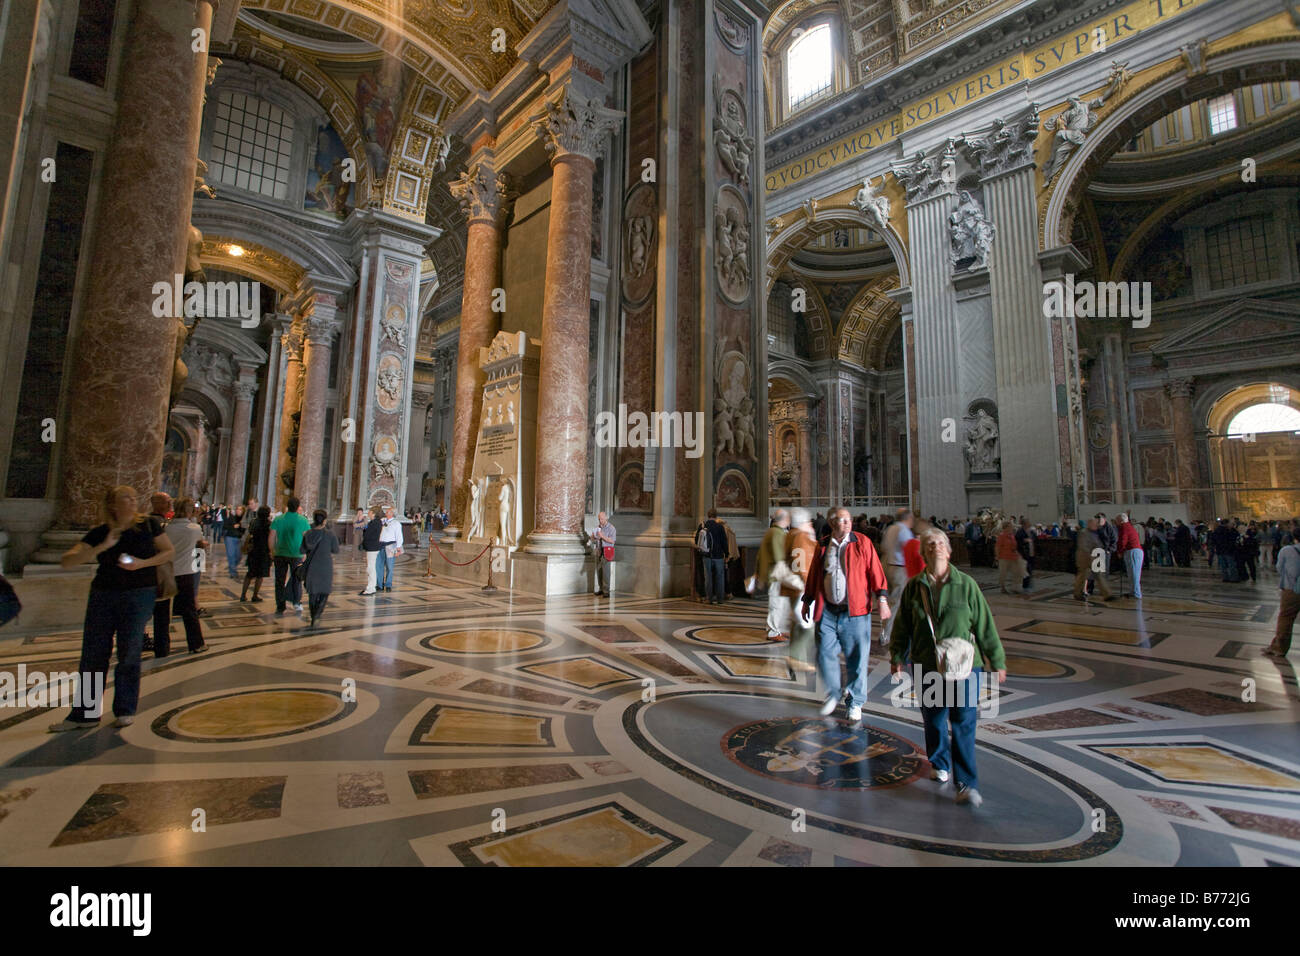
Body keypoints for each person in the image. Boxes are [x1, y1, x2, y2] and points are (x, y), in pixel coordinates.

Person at [890, 527, 1006, 807]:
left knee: (964, 721)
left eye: (941, 542)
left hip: (965, 666)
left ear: (949, 550)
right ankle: (939, 761)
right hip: (927, 663)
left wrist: (997, 659)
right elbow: (903, 626)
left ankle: (966, 783)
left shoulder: (966, 585)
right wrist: (897, 656)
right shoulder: (914, 588)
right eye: (930, 543)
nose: (936, 547)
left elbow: (984, 624)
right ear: (923, 551)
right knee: (934, 718)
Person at [49, 486, 175, 731]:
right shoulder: (100, 532)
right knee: (93, 654)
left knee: (129, 650)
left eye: (133, 496)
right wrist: (103, 545)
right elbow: (68, 561)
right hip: (103, 595)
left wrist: (142, 564)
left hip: (139, 594)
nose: (132, 500)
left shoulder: (149, 525)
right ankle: (84, 713)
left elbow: (168, 551)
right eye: (125, 497)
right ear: (113, 505)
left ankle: (125, 709)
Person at [800, 506, 890, 722]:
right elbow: (814, 574)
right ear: (832, 524)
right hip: (828, 611)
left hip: (856, 611)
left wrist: (883, 599)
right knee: (824, 653)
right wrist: (807, 601)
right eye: (841, 520)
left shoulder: (862, 542)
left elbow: (875, 570)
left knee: (856, 658)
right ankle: (833, 692)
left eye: (848, 519)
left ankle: (855, 702)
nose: (847, 523)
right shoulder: (823, 544)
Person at [154, 496, 208, 657]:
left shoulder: (166, 528)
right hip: (185, 572)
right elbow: (200, 544)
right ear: (189, 510)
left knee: (162, 613)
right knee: (189, 611)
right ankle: (196, 644)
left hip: (166, 572)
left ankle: (161, 649)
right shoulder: (194, 528)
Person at [781, 509, 817, 673]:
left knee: (798, 623)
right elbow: (802, 563)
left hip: (793, 587)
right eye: (808, 522)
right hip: (802, 587)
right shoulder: (801, 537)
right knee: (807, 624)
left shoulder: (790, 534)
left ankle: (796, 657)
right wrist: (808, 585)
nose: (811, 525)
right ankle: (796, 657)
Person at [756, 509, 794, 638]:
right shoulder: (776, 533)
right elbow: (780, 557)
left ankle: (778, 628)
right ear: (782, 519)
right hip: (778, 574)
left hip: (776, 573)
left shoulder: (773, 532)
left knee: (781, 603)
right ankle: (773, 631)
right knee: (777, 603)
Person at [270, 496, 311, 613]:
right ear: (298, 507)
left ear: (287, 506)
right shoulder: (302, 520)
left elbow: (271, 537)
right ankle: (297, 602)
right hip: (296, 554)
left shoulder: (278, 519)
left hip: (280, 553)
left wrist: (271, 551)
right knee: (297, 579)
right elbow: (306, 538)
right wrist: (305, 552)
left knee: (279, 580)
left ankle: (280, 605)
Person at [300, 509, 340, 629]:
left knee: (313, 593)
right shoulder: (330, 534)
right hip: (325, 567)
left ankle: (313, 616)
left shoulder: (308, 533)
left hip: (312, 566)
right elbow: (336, 550)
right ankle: (317, 615)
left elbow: (301, 550)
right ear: (324, 521)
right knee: (324, 592)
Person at [880, 508, 914, 645]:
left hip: (887, 565)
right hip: (899, 568)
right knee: (895, 603)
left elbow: (883, 547)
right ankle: (887, 635)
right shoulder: (904, 531)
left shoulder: (891, 528)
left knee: (887, 602)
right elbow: (910, 550)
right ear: (908, 518)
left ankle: (887, 631)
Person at [1266, 528, 1300, 657]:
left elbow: (1280, 568)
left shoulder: (1287, 550)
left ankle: (1279, 647)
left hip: (1291, 589)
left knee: (1286, 618)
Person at [1073, 518, 1115, 602]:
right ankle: (1077, 593)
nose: (1097, 525)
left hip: (1093, 556)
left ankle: (1107, 594)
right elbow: (1084, 546)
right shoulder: (1084, 533)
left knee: (1099, 575)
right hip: (1085, 557)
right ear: (1090, 524)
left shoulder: (1093, 533)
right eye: (1095, 524)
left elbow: (1098, 544)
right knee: (1082, 576)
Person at [240, 505, 272, 602]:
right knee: (260, 575)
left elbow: (249, 532)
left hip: (253, 550)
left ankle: (243, 595)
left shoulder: (254, 522)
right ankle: (255, 595)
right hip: (264, 551)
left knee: (250, 574)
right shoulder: (268, 524)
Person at [699, 509, 728, 604]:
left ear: (708, 515)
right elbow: (724, 541)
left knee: (708, 577)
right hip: (718, 555)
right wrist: (727, 554)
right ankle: (720, 599)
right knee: (720, 577)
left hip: (706, 555)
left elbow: (697, 541)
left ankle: (709, 598)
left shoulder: (703, 525)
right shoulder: (720, 527)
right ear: (716, 516)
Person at [1115, 513, 1143, 599]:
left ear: (1121, 521)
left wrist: (1119, 551)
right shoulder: (1128, 526)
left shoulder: (1124, 527)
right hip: (1135, 551)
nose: (1116, 522)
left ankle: (1136, 593)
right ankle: (1133, 592)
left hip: (1132, 551)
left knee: (1133, 573)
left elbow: (1122, 540)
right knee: (1132, 573)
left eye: (1117, 520)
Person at [359, 507, 384, 595]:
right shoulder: (375, 522)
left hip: (372, 547)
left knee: (371, 568)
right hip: (372, 547)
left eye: (369, 511)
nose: (368, 513)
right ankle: (370, 586)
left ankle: (371, 588)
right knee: (370, 567)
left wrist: (365, 529)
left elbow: (367, 534)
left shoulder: (375, 523)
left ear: (373, 513)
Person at [378, 506, 402, 591]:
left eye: (388, 512)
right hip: (381, 545)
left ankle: (388, 584)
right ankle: (379, 584)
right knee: (379, 566)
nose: (386, 513)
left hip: (390, 546)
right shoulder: (382, 521)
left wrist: (398, 548)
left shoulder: (396, 523)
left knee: (389, 566)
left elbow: (399, 536)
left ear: (392, 513)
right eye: (386, 512)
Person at [592, 511, 616, 597]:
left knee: (606, 571)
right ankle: (601, 589)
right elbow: (594, 540)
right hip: (599, 550)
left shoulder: (611, 528)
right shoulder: (598, 528)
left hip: (607, 551)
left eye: (601, 519)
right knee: (599, 571)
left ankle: (606, 591)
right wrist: (593, 537)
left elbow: (612, 540)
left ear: (606, 518)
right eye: (599, 519)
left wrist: (602, 536)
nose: (600, 520)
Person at [995, 520, 1020, 593]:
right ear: (1006, 527)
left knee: (1016, 572)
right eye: (1010, 526)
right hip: (1004, 557)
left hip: (1012, 557)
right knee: (1003, 573)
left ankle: (1014, 588)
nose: (1012, 528)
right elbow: (997, 547)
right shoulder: (1002, 536)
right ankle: (1003, 587)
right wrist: (997, 556)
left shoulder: (1012, 535)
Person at [223, 504, 245, 579]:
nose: (238, 511)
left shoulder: (244, 519)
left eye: (240, 509)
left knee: (239, 556)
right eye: (237, 509)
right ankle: (233, 572)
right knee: (231, 555)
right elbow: (225, 526)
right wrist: (233, 526)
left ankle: (232, 566)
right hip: (230, 537)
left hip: (239, 538)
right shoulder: (232, 517)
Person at [1015, 516, 1036, 591]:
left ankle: (1029, 584)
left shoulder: (1031, 531)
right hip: (1024, 554)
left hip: (1031, 553)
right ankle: (1025, 586)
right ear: (1024, 524)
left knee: (1030, 570)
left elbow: (1035, 539)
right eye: (1028, 522)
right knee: (1027, 570)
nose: (1029, 523)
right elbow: (1017, 542)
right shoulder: (1020, 532)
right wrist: (1024, 541)